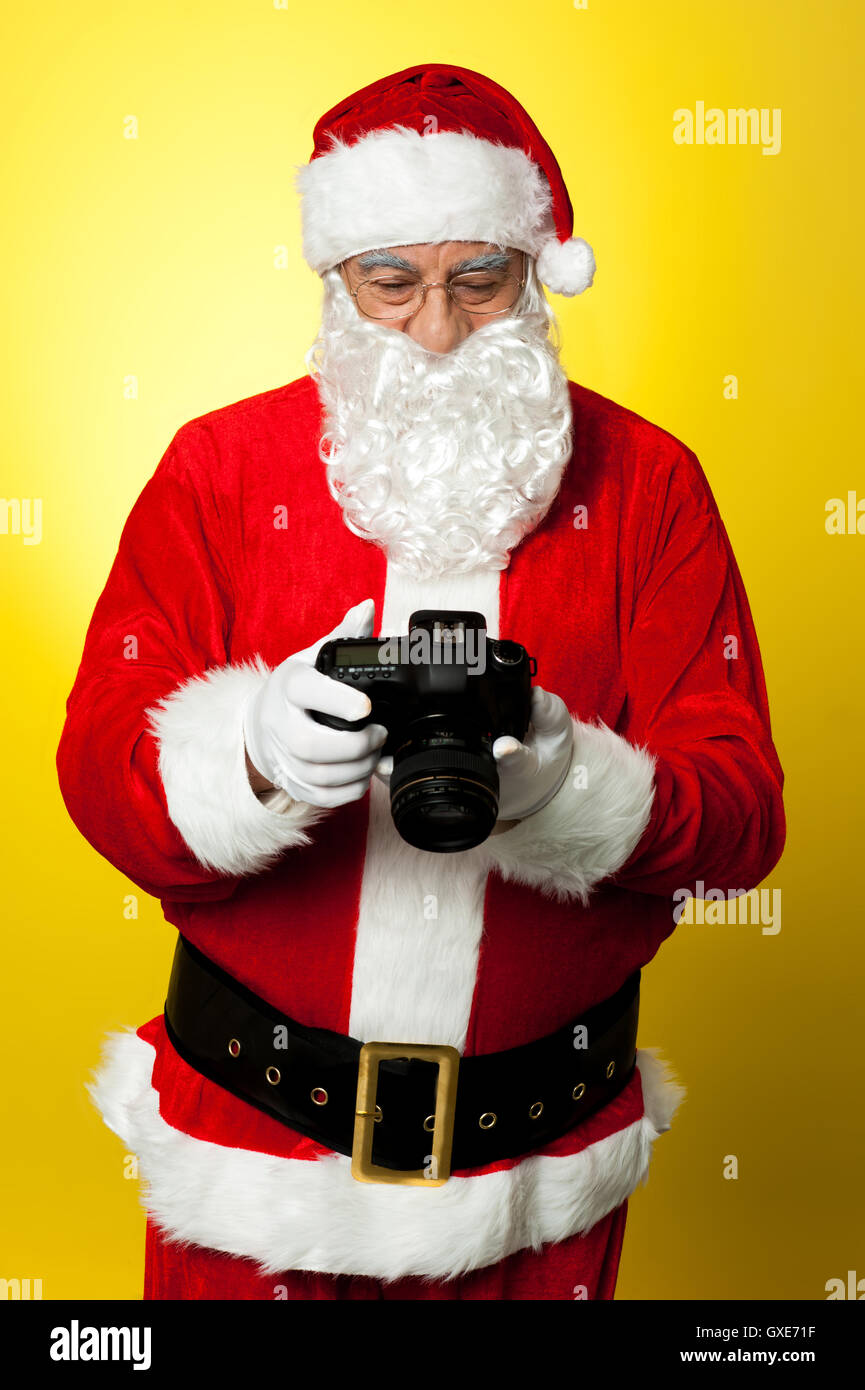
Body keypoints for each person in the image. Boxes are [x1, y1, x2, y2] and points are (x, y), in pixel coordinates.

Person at [56, 62, 785, 1301]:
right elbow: (101, 774)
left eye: (481, 281)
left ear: (536, 271)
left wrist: (567, 784)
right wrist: (251, 757)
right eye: (390, 283)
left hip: (539, 1168)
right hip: (250, 1148)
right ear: (336, 281)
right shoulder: (221, 468)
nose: (437, 330)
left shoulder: (651, 482)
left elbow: (744, 817)